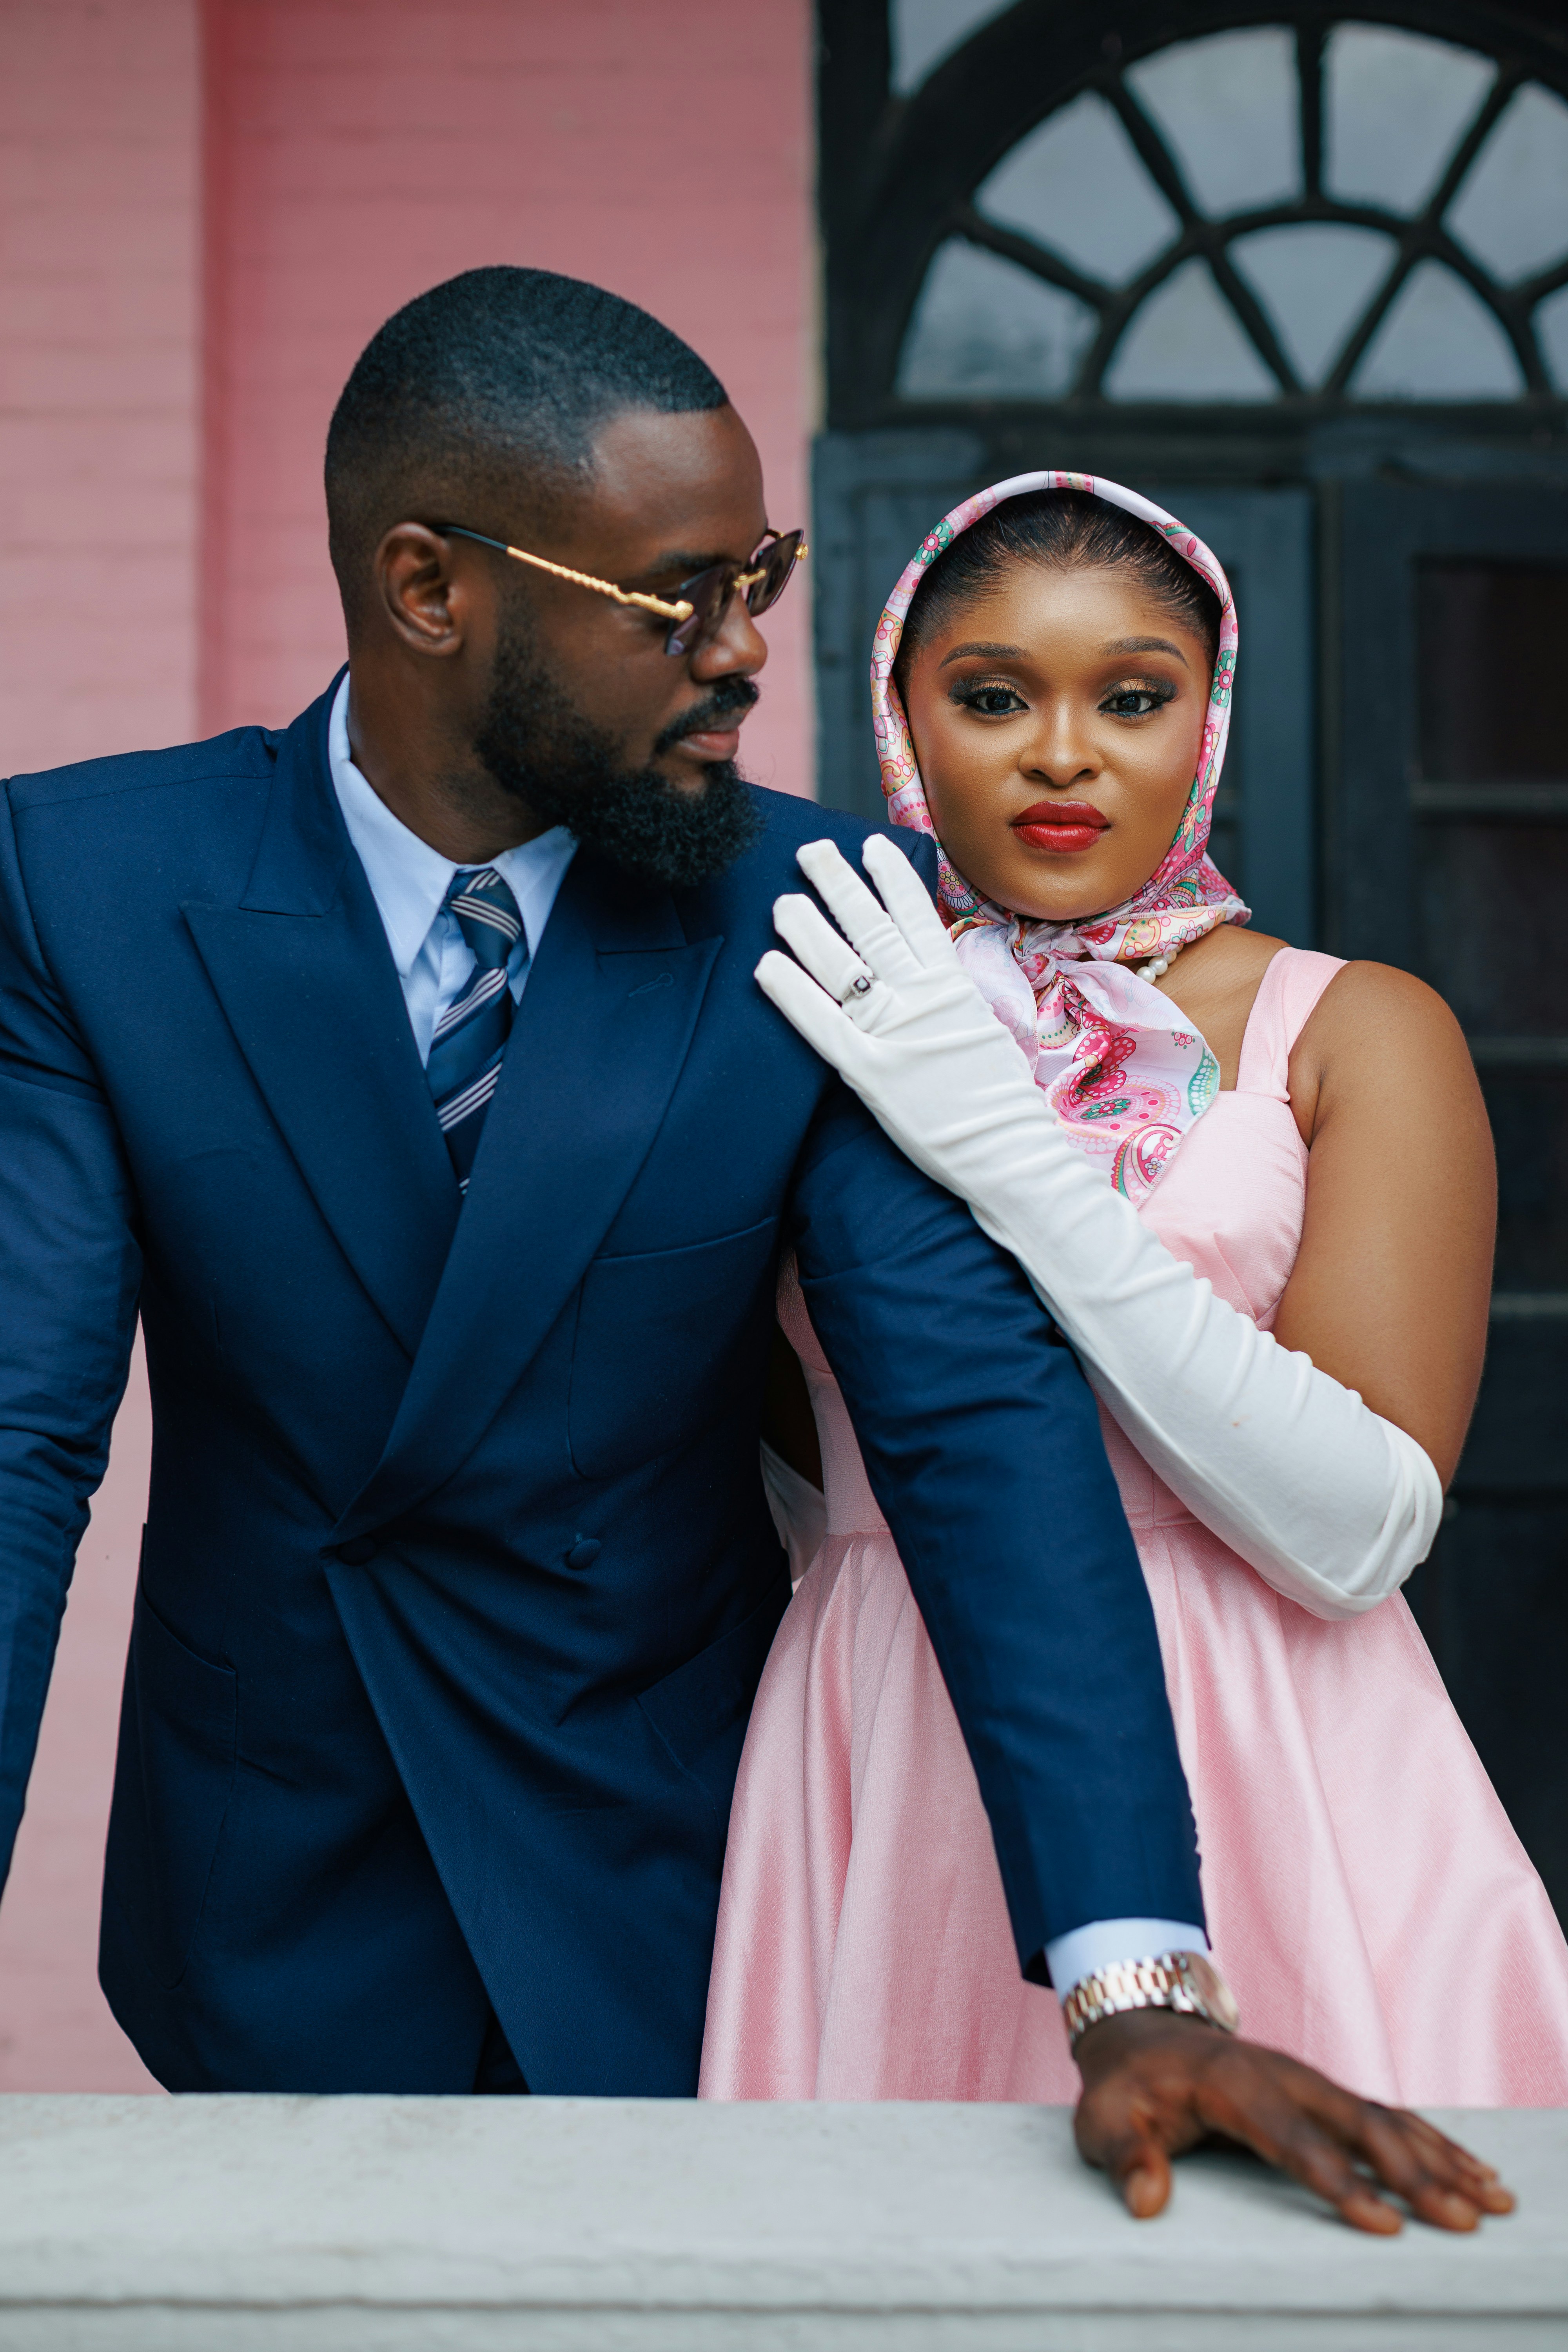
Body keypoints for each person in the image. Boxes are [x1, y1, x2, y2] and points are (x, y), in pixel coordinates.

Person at [0, 286, 1504, 2226]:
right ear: (427, 587)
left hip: (678, 1855)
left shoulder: (809, 904)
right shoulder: (85, 880)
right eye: (676, 597)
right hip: (274, 1858)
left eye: (762, 578)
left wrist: (1135, 1983)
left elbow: (970, 1422)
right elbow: (20, 1444)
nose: (742, 655)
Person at [702, 473, 1568, 2171]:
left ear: (1209, 717)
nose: (1061, 753)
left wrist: (1006, 1149)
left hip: (1274, 1735)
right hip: (894, 1720)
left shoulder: (1349, 1027)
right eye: (992, 694)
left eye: (1133, 695)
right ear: (902, 718)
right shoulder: (809, 1007)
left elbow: (1360, 1529)